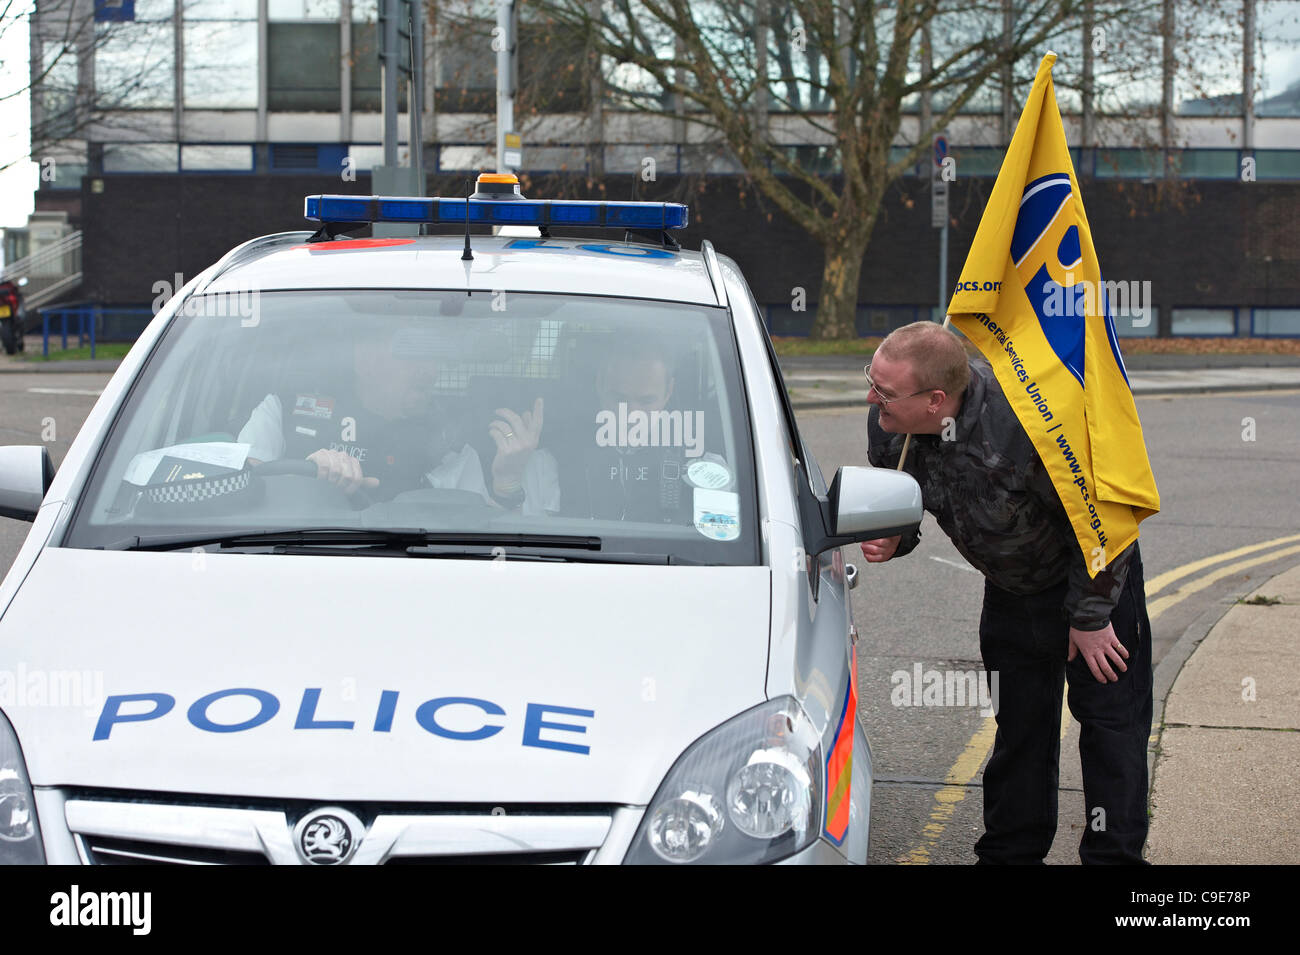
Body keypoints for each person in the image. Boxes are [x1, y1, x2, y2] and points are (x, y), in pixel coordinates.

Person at [861, 321, 1153, 865]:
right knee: (1020, 725)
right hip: (1012, 589)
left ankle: (1115, 862)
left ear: (937, 399)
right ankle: (1010, 854)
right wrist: (894, 536)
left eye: (884, 390)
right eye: (872, 380)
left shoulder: (1030, 424)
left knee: (1110, 728)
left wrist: (1088, 617)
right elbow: (908, 500)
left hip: (1094, 587)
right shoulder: (891, 423)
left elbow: (1105, 521)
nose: (870, 396)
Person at [237, 320, 558, 515]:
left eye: (432, 357)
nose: (428, 372)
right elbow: (233, 494)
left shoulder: (448, 446)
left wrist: (508, 482)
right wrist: (307, 477)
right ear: (363, 358)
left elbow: (489, 543)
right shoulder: (285, 410)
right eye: (412, 353)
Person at [563, 342, 731, 523]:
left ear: (669, 392)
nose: (632, 415)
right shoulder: (556, 461)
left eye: (647, 401)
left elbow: (721, 541)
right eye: (619, 398)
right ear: (599, 386)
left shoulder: (704, 466)